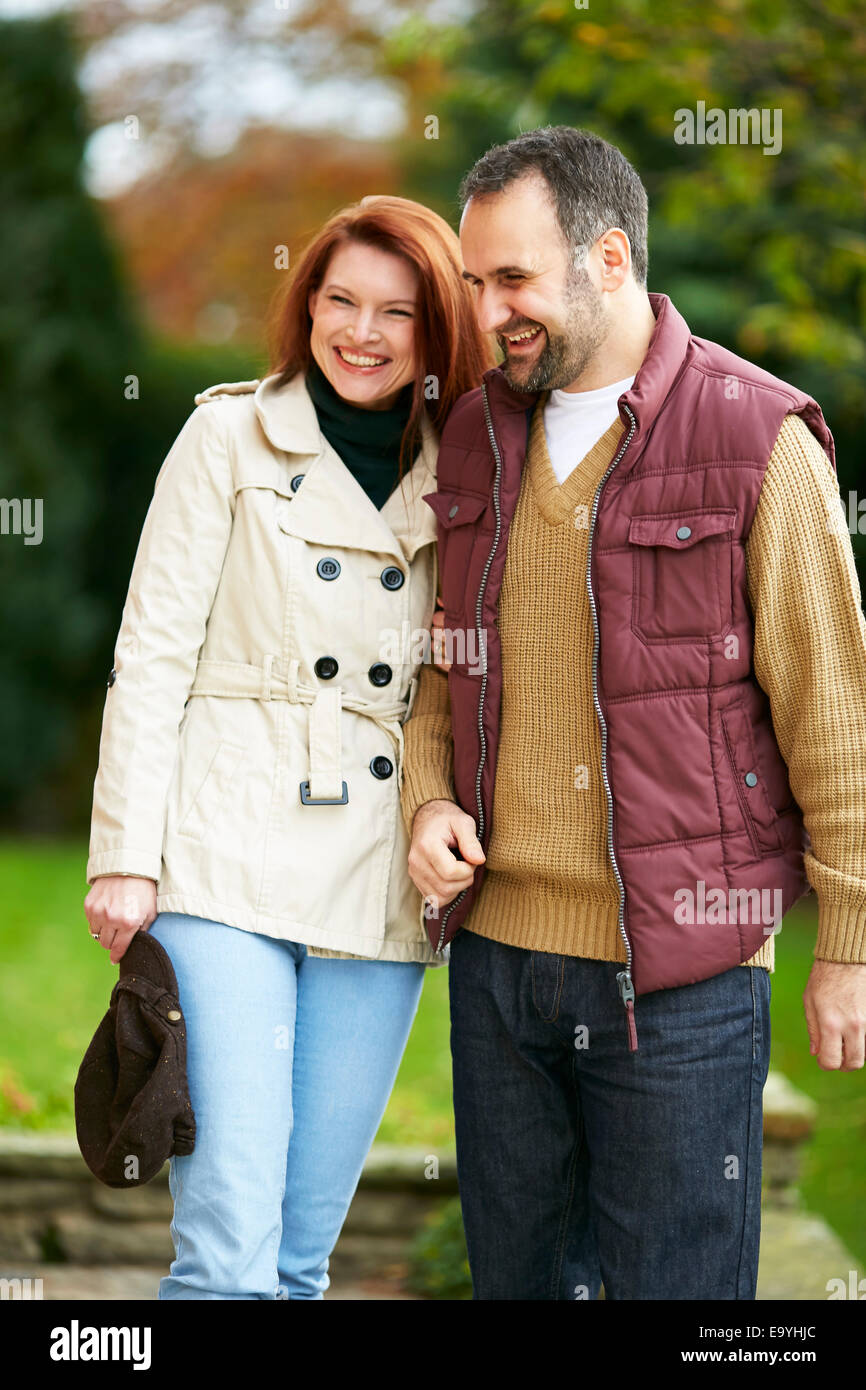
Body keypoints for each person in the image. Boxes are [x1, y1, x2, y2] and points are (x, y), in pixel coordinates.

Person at [402, 126, 866, 1299]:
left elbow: (834, 709)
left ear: (608, 259)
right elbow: (433, 671)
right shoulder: (471, 434)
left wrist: (848, 943)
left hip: (682, 977)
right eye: (474, 281)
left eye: (511, 279)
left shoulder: (753, 435)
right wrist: (426, 797)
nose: (488, 308)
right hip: (498, 965)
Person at [83, 193, 494, 1300]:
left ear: (434, 327)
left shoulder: (466, 470)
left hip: (378, 870)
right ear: (306, 305)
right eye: (338, 300)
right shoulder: (226, 434)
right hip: (225, 849)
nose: (359, 332)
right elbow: (151, 655)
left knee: (300, 1258)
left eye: (394, 311)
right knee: (226, 1251)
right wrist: (124, 851)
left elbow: (460, 679)